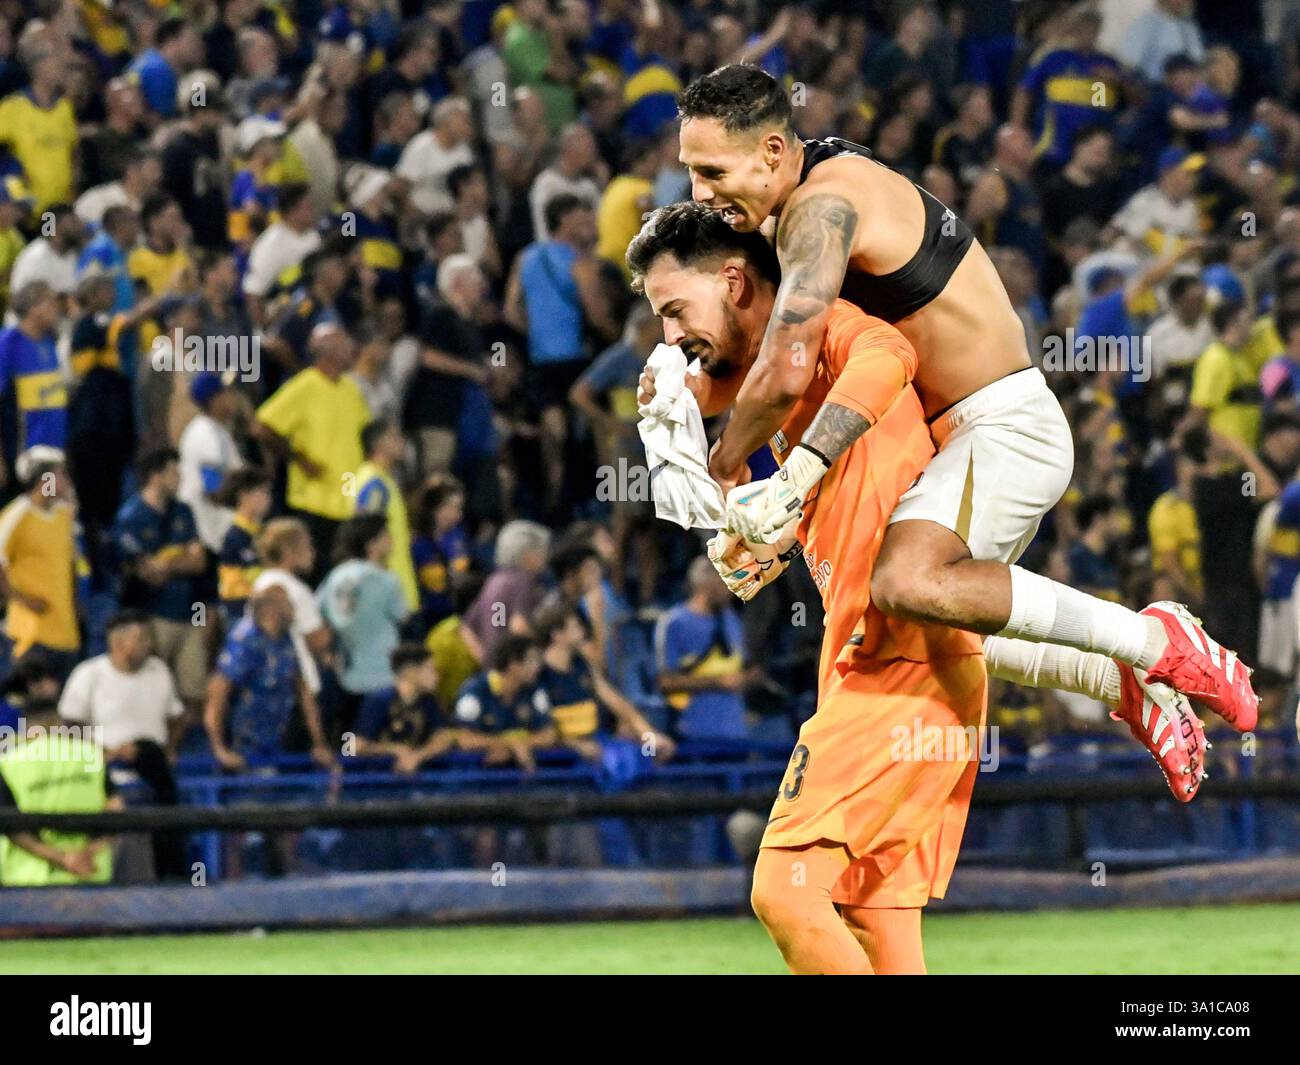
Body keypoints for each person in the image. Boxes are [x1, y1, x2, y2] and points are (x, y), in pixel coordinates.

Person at [628, 203, 1201, 973]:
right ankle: (1121, 669)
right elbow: (845, 507)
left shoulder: (824, 328)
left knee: (786, 890)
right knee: (876, 923)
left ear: (734, 280)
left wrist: (791, 476)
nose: (671, 337)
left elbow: (887, 353)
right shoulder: (778, 389)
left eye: (673, 311)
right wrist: (762, 532)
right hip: (896, 665)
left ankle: (1141, 651)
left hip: (891, 665)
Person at [662, 66, 1256, 734]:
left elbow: (788, 364)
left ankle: (1155, 643)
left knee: (906, 583)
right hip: (959, 436)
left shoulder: (821, 208)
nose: (699, 191)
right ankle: (1117, 676)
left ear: (771, 151)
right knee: (900, 619)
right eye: (691, 172)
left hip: (1000, 425)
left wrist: (725, 468)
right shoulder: (804, 199)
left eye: (711, 171)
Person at [59, 610, 188, 879]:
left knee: (168, 840)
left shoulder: (159, 671)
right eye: (139, 639)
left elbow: (176, 716)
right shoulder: (89, 674)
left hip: (154, 774)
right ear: (117, 643)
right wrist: (106, 755)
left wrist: (170, 749)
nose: (147, 645)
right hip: (107, 778)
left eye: (147, 638)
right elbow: (69, 727)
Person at [253, 323, 372, 578]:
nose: (352, 350)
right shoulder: (304, 386)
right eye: (345, 345)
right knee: (314, 572)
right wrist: (298, 458)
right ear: (327, 351)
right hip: (313, 500)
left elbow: (363, 433)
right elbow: (263, 427)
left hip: (347, 499)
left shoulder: (350, 389)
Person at [108, 448, 208, 712]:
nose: (180, 479)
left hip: (191, 613)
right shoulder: (131, 517)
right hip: (152, 615)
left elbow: (199, 562)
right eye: (174, 472)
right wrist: (180, 559)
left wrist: (165, 562)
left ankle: (189, 750)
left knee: (194, 692)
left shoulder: (183, 511)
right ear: (156, 476)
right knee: (152, 691)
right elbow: (147, 574)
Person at [534, 602, 673, 761]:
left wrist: (650, 735)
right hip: (554, 758)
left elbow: (619, 704)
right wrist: (575, 745)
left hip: (594, 746)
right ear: (556, 634)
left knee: (635, 750)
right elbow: (540, 728)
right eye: (575, 626)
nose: (582, 630)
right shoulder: (538, 675)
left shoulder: (583, 666)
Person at [316, 514, 410, 731]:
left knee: (348, 739)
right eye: (386, 535)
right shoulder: (385, 579)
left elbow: (318, 614)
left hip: (345, 674)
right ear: (372, 544)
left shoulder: (335, 576)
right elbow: (403, 616)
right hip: (382, 674)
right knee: (374, 740)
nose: (391, 539)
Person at [0, 447, 82, 680]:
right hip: (31, 636)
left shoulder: (64, 517)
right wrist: (20, 598)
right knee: (33, 711)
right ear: (45, 478)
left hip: (66, 634)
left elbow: (70, 566)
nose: (67, 481)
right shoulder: (17, 514)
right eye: (61, 474)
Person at [453, 633, 556, 773]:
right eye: (531, 660)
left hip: (522, 775)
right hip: (478, 776)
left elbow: (549, 735)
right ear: (513, 665)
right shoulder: (474, 691)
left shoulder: (536, 691)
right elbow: (465, 739)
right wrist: (511, 745)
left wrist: (519, 745)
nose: (538, 667)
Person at [353, 642, 457, 772]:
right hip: (377, 780)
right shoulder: (379, 701)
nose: (437, 676)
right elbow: (355, 745)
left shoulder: (429, 702)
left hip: (415, 781)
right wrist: (394, 749)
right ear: (410, 672)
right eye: (430, 669)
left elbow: (444, 738)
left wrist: (417, 756)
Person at [0, 281, 65, 487]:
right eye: (50, 302)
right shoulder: (8, 345)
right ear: (33, 308)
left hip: (53, 455)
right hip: (22, 457)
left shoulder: (49, 344)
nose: (57, 308)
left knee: (46, 515)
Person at [177, 372, 245, 555]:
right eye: (227, 392)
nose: (233, 397)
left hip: (213, 530)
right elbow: (214, 488)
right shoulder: (205, 434)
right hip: (209, 533)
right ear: (214, 400)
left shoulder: (215, 430)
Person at [353, 420, 418, 612]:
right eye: (395, 436)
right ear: (377, 444)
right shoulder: (374, 483)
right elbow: (367, 535)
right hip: (386, 593)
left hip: (394, 587)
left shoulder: (383, 479)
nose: (402, 441)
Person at [215, 467, 272, 623]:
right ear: (244, 495)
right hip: (238, 612)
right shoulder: (234, 535)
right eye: (262, 492)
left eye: (269, 493)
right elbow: (247, 576)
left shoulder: (263, 532)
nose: (268, 498)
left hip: (258, 610)